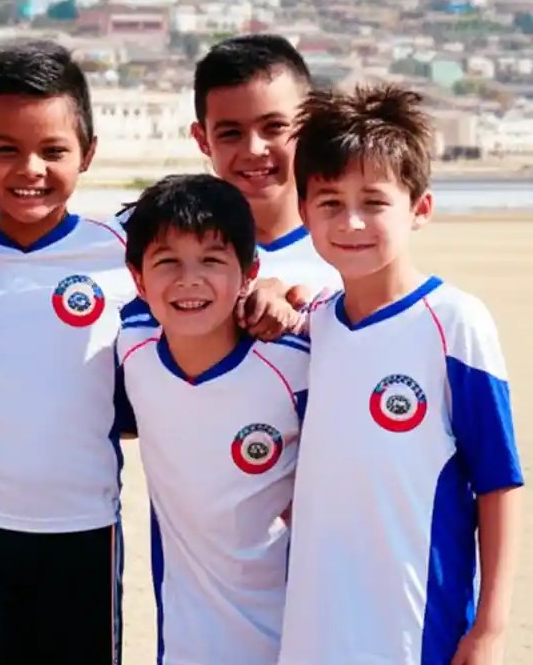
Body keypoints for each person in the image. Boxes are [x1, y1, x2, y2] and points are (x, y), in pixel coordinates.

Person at [278, 84, 523, 665]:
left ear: (420, 210)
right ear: (305, 210)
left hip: (415, 625)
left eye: (374, 201)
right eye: (330, 202)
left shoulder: (454, 323)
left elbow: (499, 483)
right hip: (316, 623)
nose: (351, 221)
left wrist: (490, 628)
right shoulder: (316, 324)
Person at [0, 39, 137, 664]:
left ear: (88, 153)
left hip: (84, 526)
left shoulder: (124, 254)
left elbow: (231, 268)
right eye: (7, 150)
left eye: (53, 151)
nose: (30, 170)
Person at [114, 174, 308, 664]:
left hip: (297, 637)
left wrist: (280, 290)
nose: (189, 280)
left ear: (248, 272)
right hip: (184, 642)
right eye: (168, 263)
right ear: (138, 278)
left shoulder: (298, 360)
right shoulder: (130, 347)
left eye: (212, 261)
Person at [189, 33, 343, 295]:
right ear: (203, 140)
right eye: (231, 133)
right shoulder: (172, 258)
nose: (253, 149)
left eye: (274, 127)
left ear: (310, 125)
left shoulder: (352, 251)